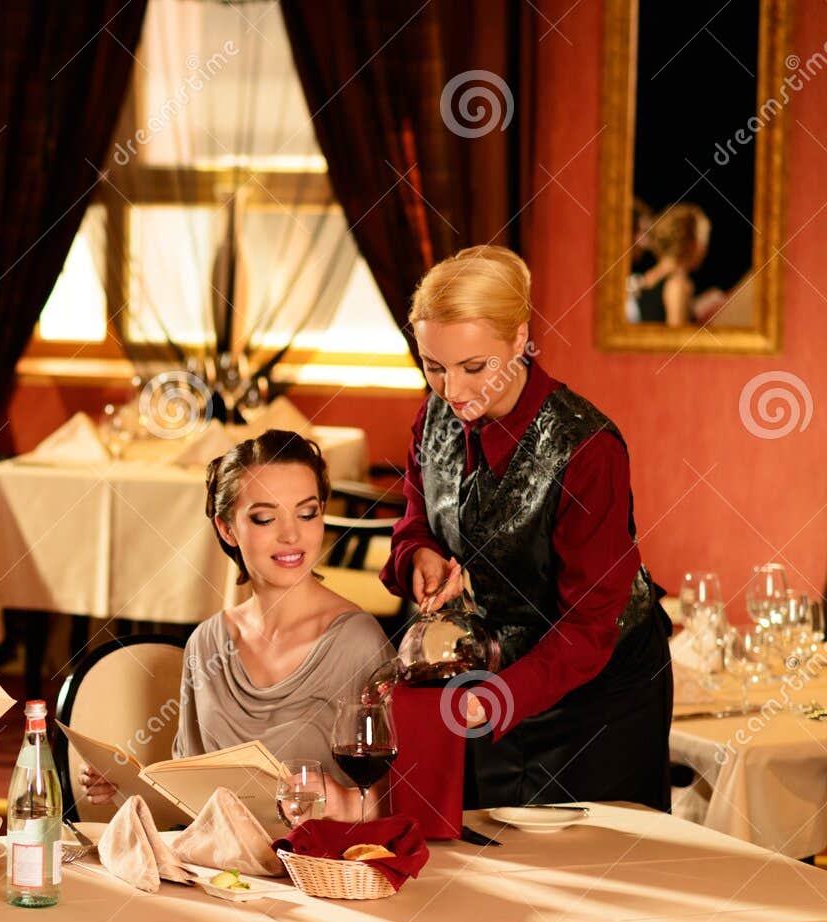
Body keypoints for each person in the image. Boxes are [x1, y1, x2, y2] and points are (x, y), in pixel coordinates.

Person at [383, 244, 672, 810]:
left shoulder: (587, 448)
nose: (453, 392)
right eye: (433, 366)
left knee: (592, 878)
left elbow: (590, 625)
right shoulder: (434, 416)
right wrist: (418, 556)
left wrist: (496, 699)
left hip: (600, 696)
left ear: (519, 339)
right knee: (490, 864)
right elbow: (415, 522)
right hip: (492, 676)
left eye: (474, 367)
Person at [82, 430, 394, 820]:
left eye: (307, 513)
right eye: (265, 518)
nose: (292, 534)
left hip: (323, 872)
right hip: (223, 873)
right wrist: (130, 787)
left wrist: (344, 803)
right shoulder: (207, 644)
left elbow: (412, 795)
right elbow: (193, 799)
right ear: (227, 528)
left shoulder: (358, 644)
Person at [630, 203, 710, 325]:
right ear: (691, 243)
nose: (705, 249)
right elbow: (676, 341)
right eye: (703, 239)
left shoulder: (645, 280)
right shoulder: (678, 284)